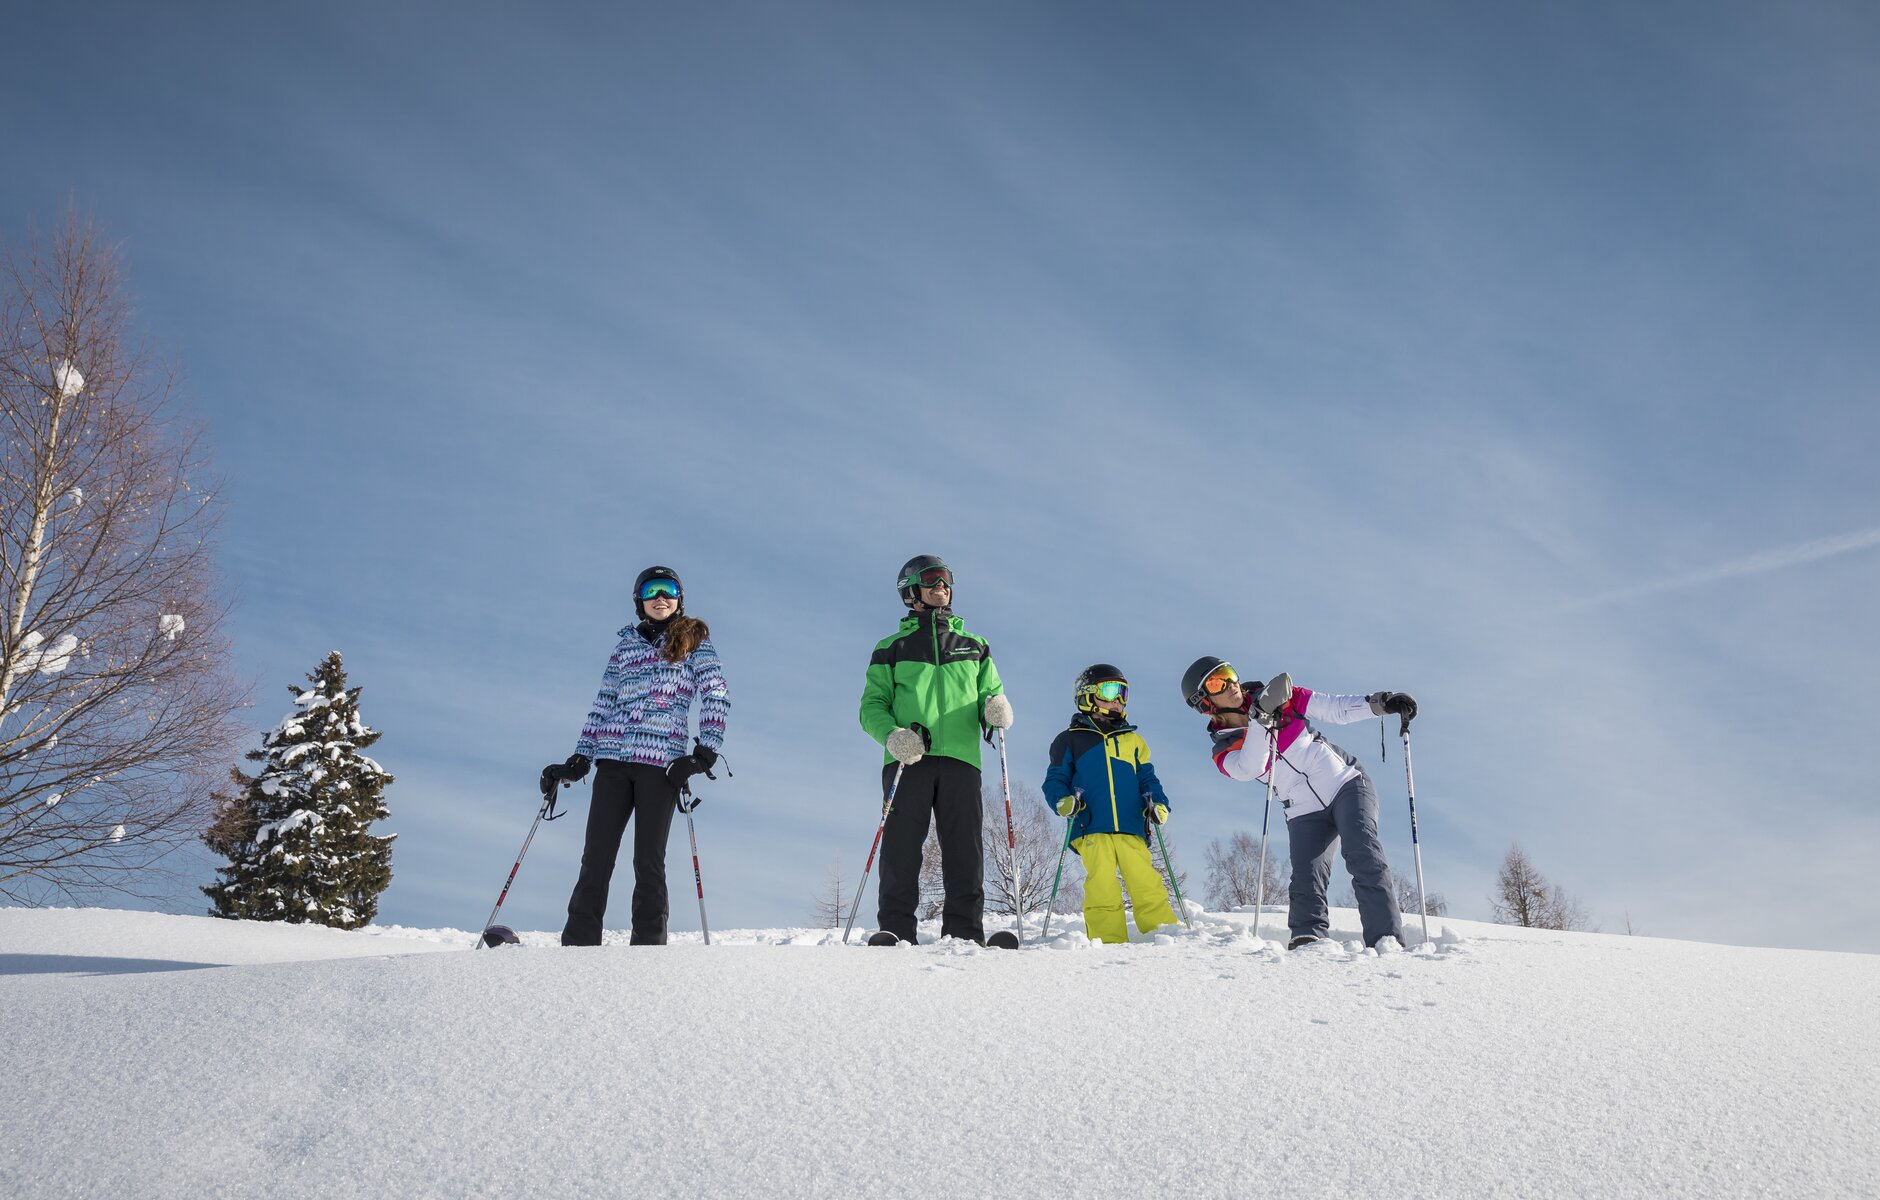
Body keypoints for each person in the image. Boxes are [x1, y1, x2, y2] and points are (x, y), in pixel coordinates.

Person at [543, 566, 729, 946]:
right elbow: (603, 703)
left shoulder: (696, 643)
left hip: (660, 767)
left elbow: (716, 694)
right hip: (612, 761)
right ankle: (578, 942)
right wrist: (581, 757)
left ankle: (647, 947)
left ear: (679, 599)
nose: (661, 597)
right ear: (639, 600)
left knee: (648, 861)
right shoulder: (624, 646)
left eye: (669, 590)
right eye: (652, 590)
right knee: (595, 857)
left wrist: (704, 753)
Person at [1181, 657, 1415, 951]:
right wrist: (1259, 720)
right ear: (1205, 703)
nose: (1232, 685)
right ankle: (1308, 939)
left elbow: (1334, 708)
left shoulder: (1280, 698)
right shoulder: (1224, 749)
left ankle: (1386, 940)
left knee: (1362, 852)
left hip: (1345, 783)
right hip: (1303, 810)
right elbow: (1252, 766)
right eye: (1217, 683)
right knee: (1306, 875)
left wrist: (1381, 704)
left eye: (1229, 674)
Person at [858, 555, 1012, 947]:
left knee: (965, 850)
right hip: (909, 758)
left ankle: (964, 933)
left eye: (946, 581)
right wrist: (893, 736)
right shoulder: (891, 648)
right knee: (901, 849)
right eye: (932, 581)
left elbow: (988, 693)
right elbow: (871, 706)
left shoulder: (974, 646)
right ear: (911, 591)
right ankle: (896, 929)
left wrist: (994, 708)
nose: (942, 587)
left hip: (961, 759)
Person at [1042, 665, 1178, 944]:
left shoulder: (1133, 740)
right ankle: (1108, 941)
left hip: (1131, 825)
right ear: (1087, 695)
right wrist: (1062, 802)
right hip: (1091, 824)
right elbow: (1055, 779)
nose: (1118, 700)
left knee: (1146, 884)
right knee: (1102, 886)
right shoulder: (1069, 740)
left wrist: (1159, 804)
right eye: (1110, 691)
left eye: (1123, 693)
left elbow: (1148, 779)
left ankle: (1164, 935)